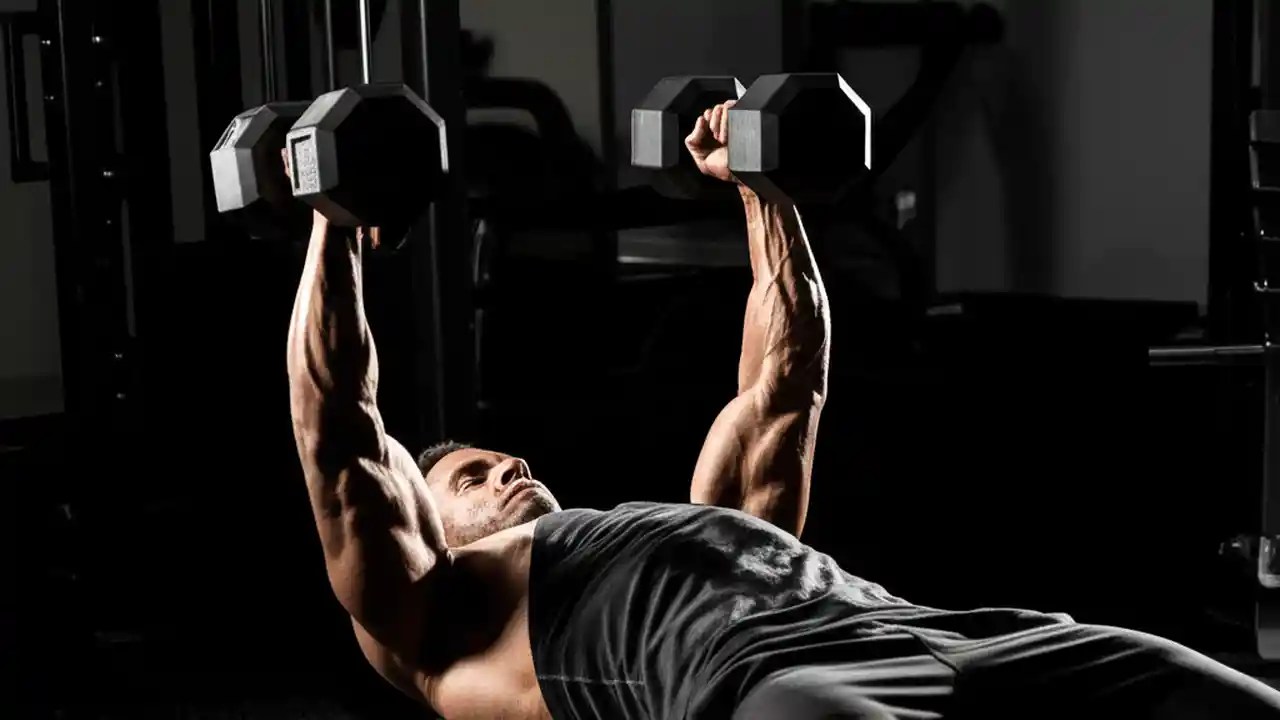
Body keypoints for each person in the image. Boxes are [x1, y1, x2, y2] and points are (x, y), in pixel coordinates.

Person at [285, 103, 1280, 720]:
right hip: (762, 687)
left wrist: (761, 192)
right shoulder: (438, 626)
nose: (504, 471)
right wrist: (336, 226)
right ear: (425, 524)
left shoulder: (687, 522)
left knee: (1210, 695)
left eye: (501, 458)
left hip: (940, 633)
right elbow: (341, 438)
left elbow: (785, 382)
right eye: (468, 477)